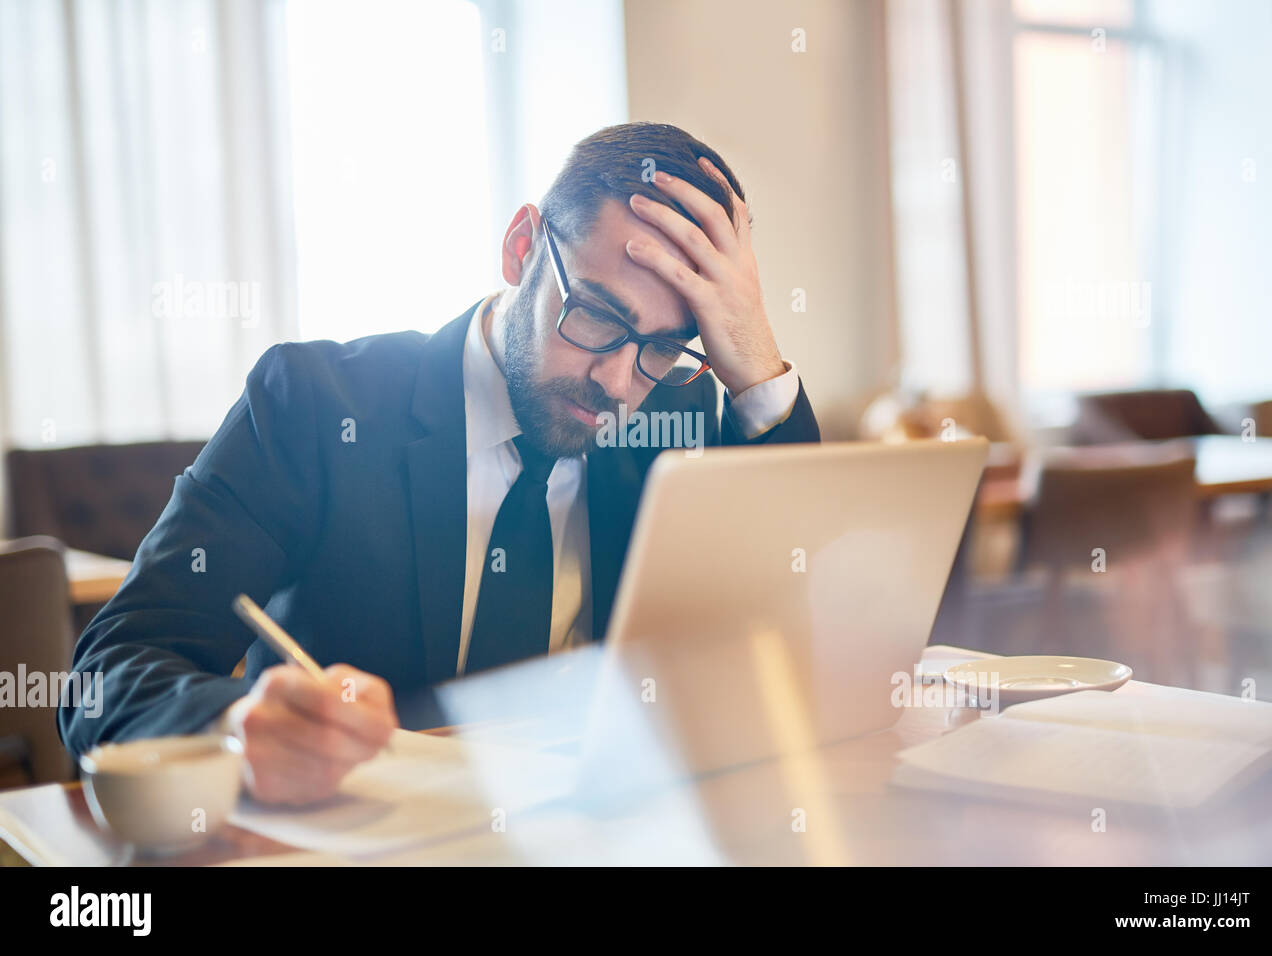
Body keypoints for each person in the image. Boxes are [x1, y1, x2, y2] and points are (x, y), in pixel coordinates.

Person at [58, 122, 820, 804]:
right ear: (521, 249)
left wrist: (753, 361)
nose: (619, 383)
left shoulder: (676, 415)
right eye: (595, 315)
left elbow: (807, 638)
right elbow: (106, 673)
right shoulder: (315, 407)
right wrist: (237, 726)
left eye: (661, 347)